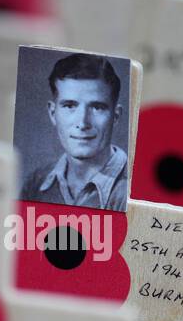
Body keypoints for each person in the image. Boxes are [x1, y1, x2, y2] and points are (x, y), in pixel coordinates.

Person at [20, 53, 128, 211]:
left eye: (97, 107)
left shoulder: (131, 191)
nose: (83, 123)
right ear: (52, 113)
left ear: (115, 116)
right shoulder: (36, 183)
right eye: (70, 106)